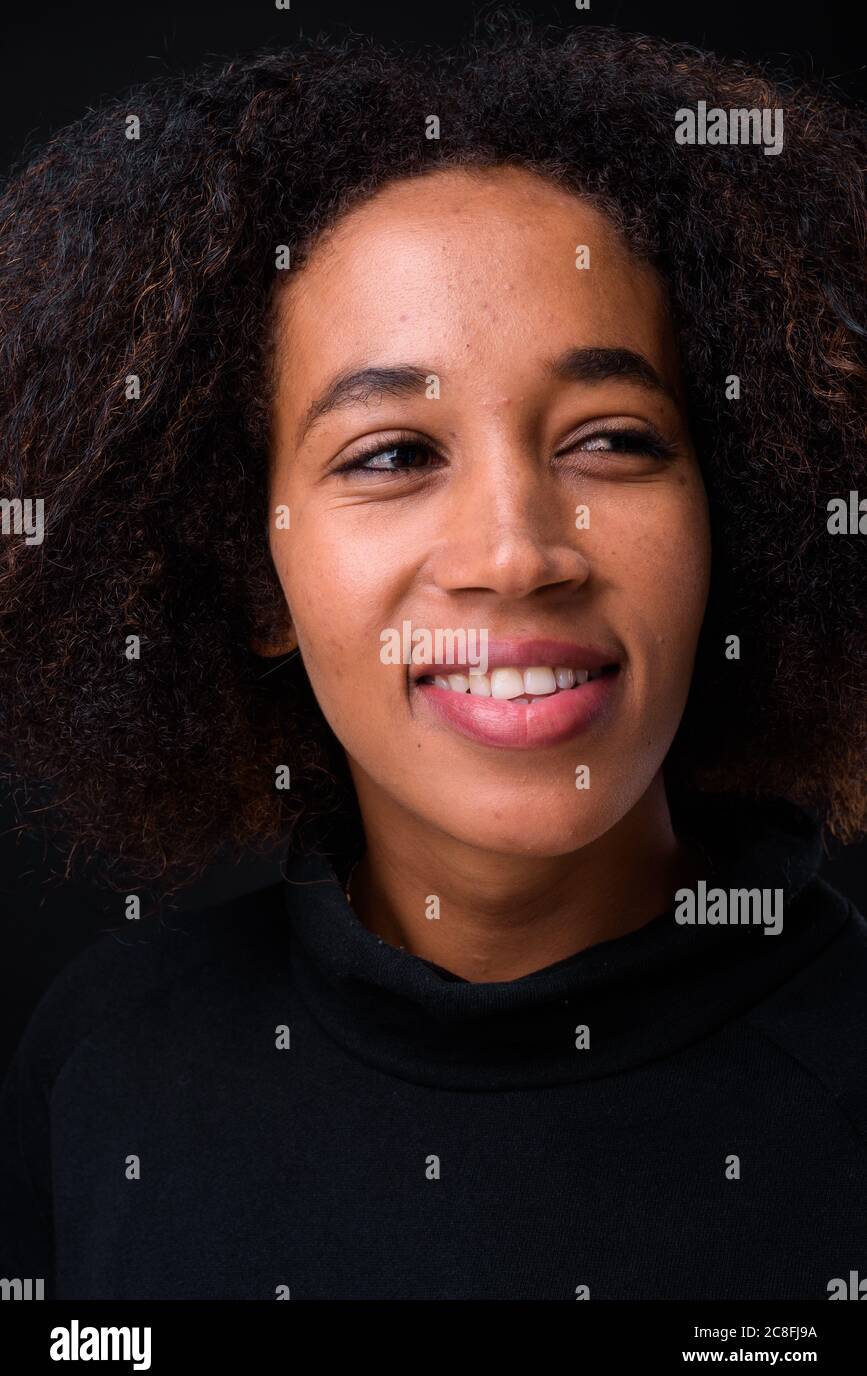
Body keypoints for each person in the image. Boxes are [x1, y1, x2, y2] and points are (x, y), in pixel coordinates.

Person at [0, 16, 865, 1299]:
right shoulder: (104, 1063)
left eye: (611, 440)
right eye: (394, 454)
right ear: (258, 580)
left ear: (735, 510)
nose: (517, 555)